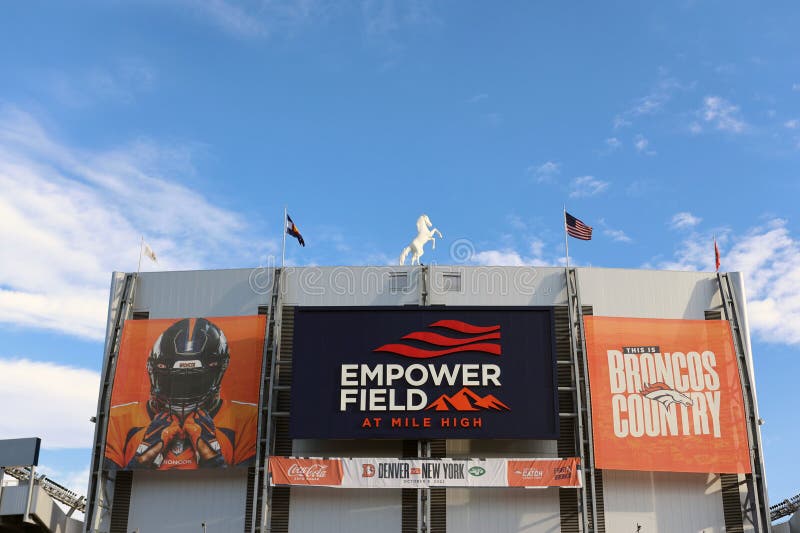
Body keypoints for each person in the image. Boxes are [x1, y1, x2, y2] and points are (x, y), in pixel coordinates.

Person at [105, 318, 258, 470]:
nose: (183, 390)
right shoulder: (119, 420)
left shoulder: (246, 420)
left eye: (195, 381)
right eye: (173, 380)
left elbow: (247, 481)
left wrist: (212, 458)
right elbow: (106, 482)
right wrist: (142, 460)